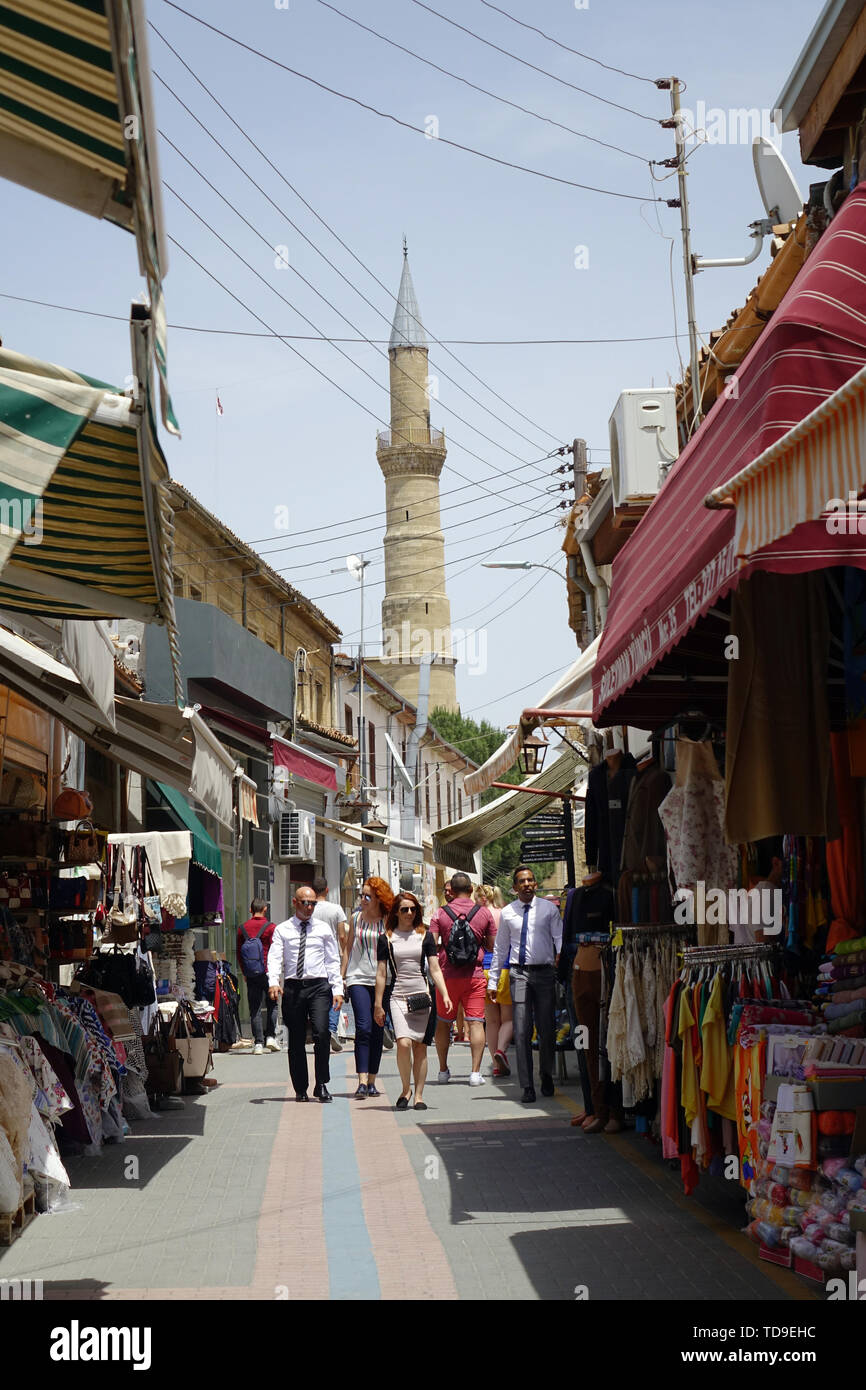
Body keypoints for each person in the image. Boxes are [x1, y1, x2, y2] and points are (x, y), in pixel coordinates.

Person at [488, 866, 562, 1104]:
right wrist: (493, 980)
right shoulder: (508, 913)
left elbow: (558, 939)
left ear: (536, 884)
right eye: (522, 881)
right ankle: (527, 1086)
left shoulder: (549, 910)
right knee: (521, 1031)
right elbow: (500, 949)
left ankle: (546, 1074)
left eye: (531, 880)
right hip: (518, 974)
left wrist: (560, 957)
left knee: (547, 1030)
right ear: (515, 887)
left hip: (544, 974)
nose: (527, 884)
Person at [374, 892, 452, 1110]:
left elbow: (434, 968)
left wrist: (444, 993)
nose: (409, 913)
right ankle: (404, 1088)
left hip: (422, 997)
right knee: (403, 1043)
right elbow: (381, 973)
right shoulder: (386, 938)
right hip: (398, 996)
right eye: (404, 909)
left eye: (413, 909)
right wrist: (378, 1004)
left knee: (420, 1047)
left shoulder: (425, 935)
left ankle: (418, 1095)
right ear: (395, 913)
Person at [267, 886, 343, 1102]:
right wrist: (274, 982)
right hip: (293, 987)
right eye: (305, 903)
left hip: (319, 986)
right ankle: (300, 1087)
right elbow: (274, 957)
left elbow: (332, 959)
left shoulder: (323, 929)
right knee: (297, 1039)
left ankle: (321, 1083)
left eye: (312, 903)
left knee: (322, 1033)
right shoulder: (283, 929)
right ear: (295, 902)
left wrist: (337, 989)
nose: (309, 907)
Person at [430, 872, 495, 1087]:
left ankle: (442, 1070)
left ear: (452, 891)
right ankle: (475, 1073)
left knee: (443, 1023)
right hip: (474, 975)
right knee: (476, 1023)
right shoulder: (484, 913)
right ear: (471, 889)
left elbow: (430, 943)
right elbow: (493, 946)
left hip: (446, 977)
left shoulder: (440, 913)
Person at [341, 876, 394, 1098]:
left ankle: (373, 1080)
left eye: (367, 896)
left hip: (384, 979)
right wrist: (341, 977)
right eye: (361, 895)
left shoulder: (389, 920)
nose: (362, 899)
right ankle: (362, 1081)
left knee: (377, 1029)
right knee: (363, 1027)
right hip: (358, 977)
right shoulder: (356, 918)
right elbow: (347, 948)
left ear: (378, 899)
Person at [476, 884, 512, 1076]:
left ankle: (496, 1066)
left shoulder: (478, 917)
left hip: (484, 970)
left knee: (491, 1022)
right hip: (504, 969)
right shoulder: (504, 913)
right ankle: (501, 1050)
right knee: (508, 1019)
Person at [311, 875, 349, 1052]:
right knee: (336, 990)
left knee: (317, 995)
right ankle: (331, 1029)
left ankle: (320, 1030)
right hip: (332, 956)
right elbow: (342, 935)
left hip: (313, 957)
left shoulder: (309, 909)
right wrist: (345, 953)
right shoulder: (336, 909)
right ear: (327, 890)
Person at [237, 898, 278, 1054]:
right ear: (265, 909)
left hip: (252, 973)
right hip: (268, 972)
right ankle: (271, 1037)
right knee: (272, 1004)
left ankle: (258, 1043)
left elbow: (240, 953)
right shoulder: (271, 928)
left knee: (255, 1007)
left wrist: (245, 971)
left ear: (250, 910)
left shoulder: (242, 928)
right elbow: (276, 950)